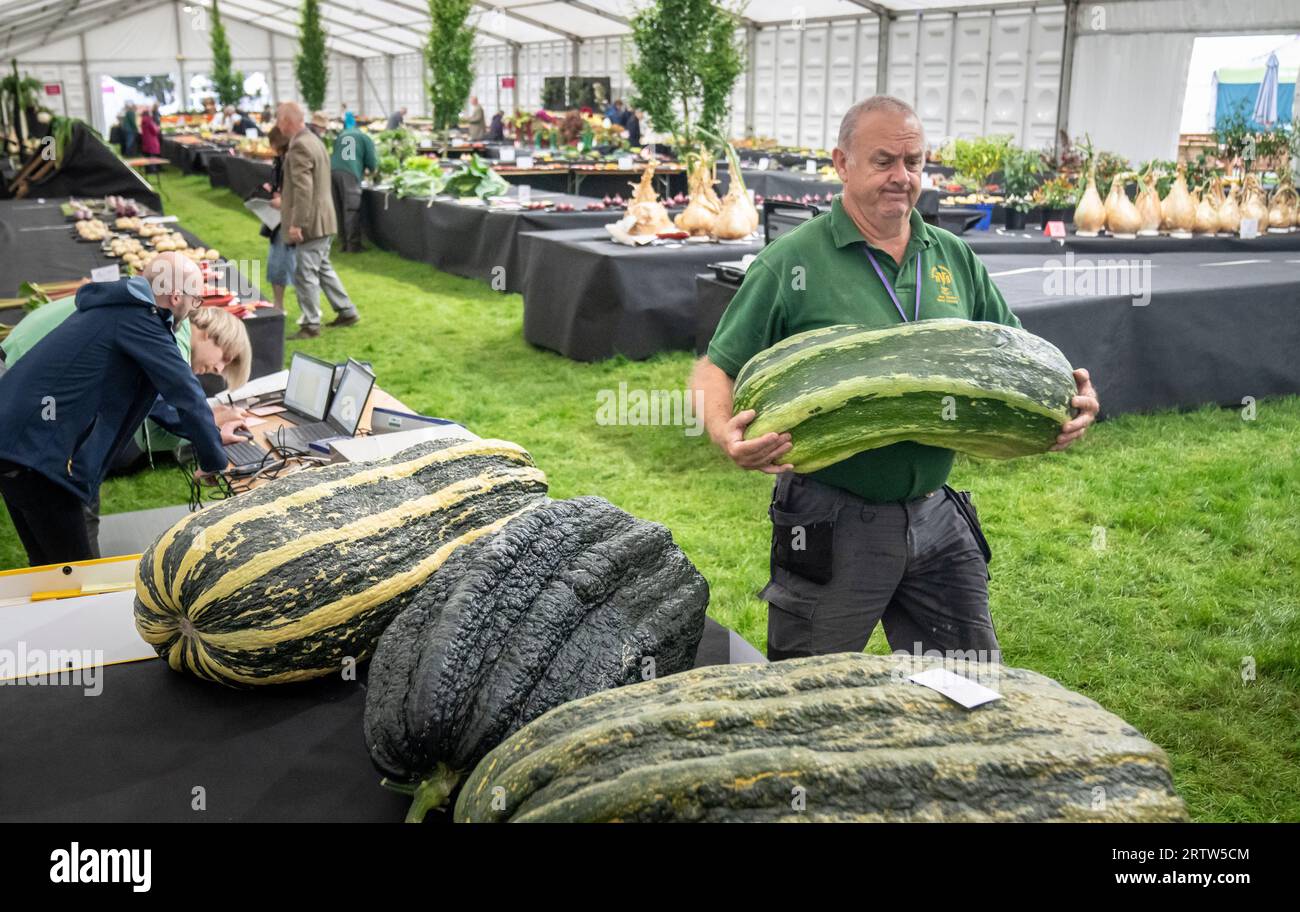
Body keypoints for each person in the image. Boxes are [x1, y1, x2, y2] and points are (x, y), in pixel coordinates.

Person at [691, 95, 1099, 663]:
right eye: (883, 161)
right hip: (832, 519)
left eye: (913, 161)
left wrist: (1069, 398)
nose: (901, 178)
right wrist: (724, 432)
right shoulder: (792, 261)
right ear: (842, 162)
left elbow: (1015, 351)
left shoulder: (952, 255)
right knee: (809, 696)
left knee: (967, 683)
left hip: (938, 514)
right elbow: (717, 367)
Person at [0, 255, 230, 566]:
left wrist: (209, 439)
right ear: (176, 297)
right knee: (73, 575)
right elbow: (187, 395)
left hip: (17, 447)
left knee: (46, 567)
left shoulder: (116, 310)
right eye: (196, 299)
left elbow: (161, 403)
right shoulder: (142, 321)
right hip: (38, 459)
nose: (193, 309)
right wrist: (214, 460)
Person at [2, 297, 252, 480]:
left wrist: (204, 420)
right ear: (210, 334)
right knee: (65, 488)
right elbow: (159, 418)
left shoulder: (166, 323)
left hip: (19, 367)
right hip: (22, 376)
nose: (219, 370)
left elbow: (152, 419)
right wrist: (209, 425)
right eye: (225, 358)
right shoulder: (171, 338)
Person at [276, 101, 360, 339]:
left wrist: (296, 223)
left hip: (312, 222)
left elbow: (304, 189)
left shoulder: (300, 146)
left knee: (305, 273)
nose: (277, 125)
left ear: (286, 121)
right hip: (324, 218)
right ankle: (346, 310)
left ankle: (311, 324)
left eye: (279, 119)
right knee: (322, 268)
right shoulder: (314, 140)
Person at [260, 126, 296, 309]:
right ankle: (279, 305)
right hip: (280, 218)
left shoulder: (292, 159)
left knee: (281, 264)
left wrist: (282, 199)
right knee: (279, 263)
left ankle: (281, 306)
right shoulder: (282, 160)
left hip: (289, 218)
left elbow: (300, 191)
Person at [329, 117, 377, 253]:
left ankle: (343, 242)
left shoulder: (341, 135)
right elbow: (371, 161)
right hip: (349, 173)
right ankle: (353, 245)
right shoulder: (364, 138)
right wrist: (373, 171)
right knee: (351, 208)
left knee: (339, 207)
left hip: (332, 172)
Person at [139, 105, 161, 171]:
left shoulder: (143, 120)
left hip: (146, 140)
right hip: (151, 140)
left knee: (147, 155)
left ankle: (148, 170)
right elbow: (154, 130)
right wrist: (158, 128)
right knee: (152, 156)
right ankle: (152, 170)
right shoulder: (149, 120)